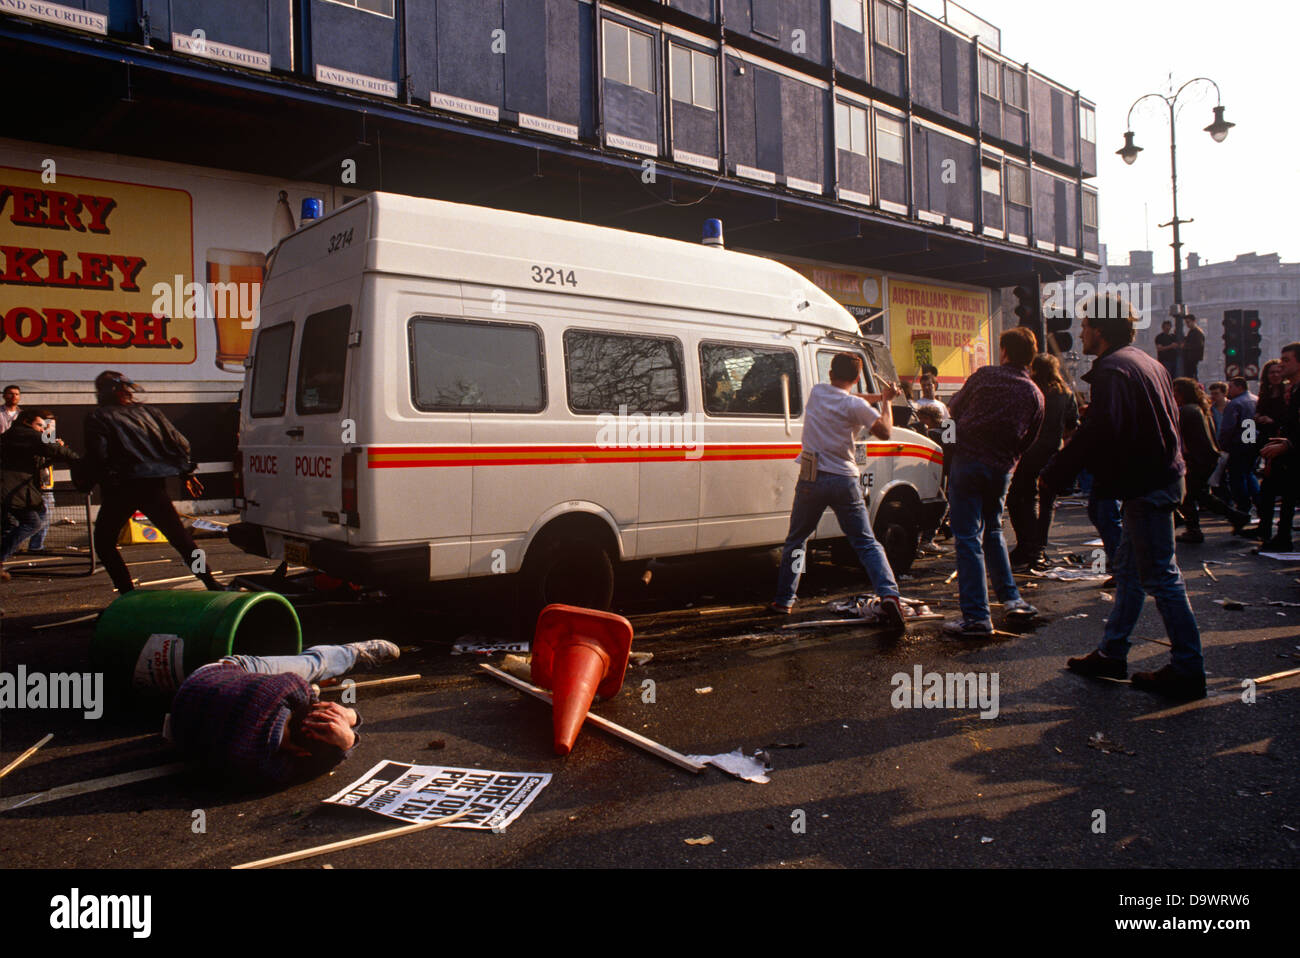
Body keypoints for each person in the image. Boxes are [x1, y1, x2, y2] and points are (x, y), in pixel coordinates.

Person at [1041, 293, 1206, 701]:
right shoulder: (1148, 363)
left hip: (1146, 484)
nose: (1080, 333)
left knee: (1162, 578)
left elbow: (1099, 432)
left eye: (1085, 326)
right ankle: (1112, 652)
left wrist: (1055, 473)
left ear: (1100, 329)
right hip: (1160, 478)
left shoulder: (1114, 370)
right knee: (1131, 573)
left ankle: (1188, 668)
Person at [772, 352, 905, 627]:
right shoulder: (855, 407)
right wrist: (887, 403)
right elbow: (885, 432)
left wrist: (880, 398)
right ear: (857, 379)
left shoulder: (818, 392)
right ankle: (889, 595)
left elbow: (851, 399)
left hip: (811, 479)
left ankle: (784, 600)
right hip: (843, 480)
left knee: (797, 541)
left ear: (830, 374)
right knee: (866, 543)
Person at [167, 639, 399, 786]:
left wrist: (351, 718)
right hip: (186, 707)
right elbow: (312, 767)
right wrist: (346, 739)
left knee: (312, 666)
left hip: (214, 674)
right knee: (310, 669)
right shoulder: (260, 764)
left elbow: (320, 759)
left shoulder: (286, 688)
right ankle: (346, 657)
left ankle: (349, 653)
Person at [82, 371, 223, 593]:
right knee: (182, 540)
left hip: (121, 487)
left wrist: (89, 480)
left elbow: (99, 456)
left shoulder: (98, 417)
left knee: (104, 543)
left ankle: (126, 592)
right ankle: (210, 581)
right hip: (154, 486)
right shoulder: (150, 412)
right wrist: (187, 473)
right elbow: (180, 443)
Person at [942, 327, 1043, 636]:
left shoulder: (985, 377)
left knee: (968, 537)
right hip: (1001, 469)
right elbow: (1030, 439)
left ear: (1005, 352)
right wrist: (1009, 459)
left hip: (968, 462)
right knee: (994, 529)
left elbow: (951, 411)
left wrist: (949, 449)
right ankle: (1012, 600)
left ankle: (976, 617)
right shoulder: (1034, 393)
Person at [1007, 354, 1079, 568]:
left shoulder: (1031, 390)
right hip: (1052, 451)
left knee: (1020, 497)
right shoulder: (1065, 393)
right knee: (1046, 500)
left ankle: (1025, 545)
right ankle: (1037, 549)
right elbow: (1072, 425)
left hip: (1029, 451)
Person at [0, 409, 81, 581]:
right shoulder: (27, 434)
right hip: (12, 488)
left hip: (15, 488)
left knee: (25, 521)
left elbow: (46, 455)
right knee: (32, 522)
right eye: (39, 425)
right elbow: (53, 448)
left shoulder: (14, 434)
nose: (41, 430)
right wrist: (79, 461)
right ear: (27, 422)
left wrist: (55, 446)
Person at [1172, 378, 1247, 544]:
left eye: (1176, 391)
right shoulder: (1199, 409)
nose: (1174, 395)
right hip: (1206, 458)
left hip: (1197, 460)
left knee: (1189, 495)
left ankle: (1194, 529)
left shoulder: (1187, 411)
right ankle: (1235, 516)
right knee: (1199, 494)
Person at [1257, 344, 1300, 551]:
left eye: (1284, 362)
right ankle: (1272, 532)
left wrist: (1277, 428)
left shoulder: (1290, 391)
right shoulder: (1263, 396)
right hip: (1273, 445)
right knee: (1273, 492)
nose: (1278, 370)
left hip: (1287, 447)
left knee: (1284, 492)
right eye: (1272, 370)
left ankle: (1281, 535)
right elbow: (1248, 425)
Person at [1218, 376, 1260, 523]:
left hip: (1238, 444)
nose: (1229, 390)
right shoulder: (1256, 399)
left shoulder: (1234, 404)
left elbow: (1228, 427)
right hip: (1253, 441)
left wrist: (1222, 444)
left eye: (1231, 387)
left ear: (1239, 387)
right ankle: (1259, 502)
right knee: (1249, 473)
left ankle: (1243, 506)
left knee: (1237, 477)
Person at [25, 413, 59, 554]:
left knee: (42, 514)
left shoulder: (45, 441)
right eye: (47, 426)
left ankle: (36, 545)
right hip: (41, 484)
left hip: (45, 482)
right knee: (43, 514)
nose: (50, 429)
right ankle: (35, 545)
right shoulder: (40, 441)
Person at [1182, 314, 1205, 382]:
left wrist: (1185, 346)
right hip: (1190, 357)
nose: (1187, 324)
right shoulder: (1192, 331)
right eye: (1186, 323)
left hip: (1192, 357)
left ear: (1194, 321)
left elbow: (1198, 345)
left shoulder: (1197, 332)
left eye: (1188, 322)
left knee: (1192, 375)